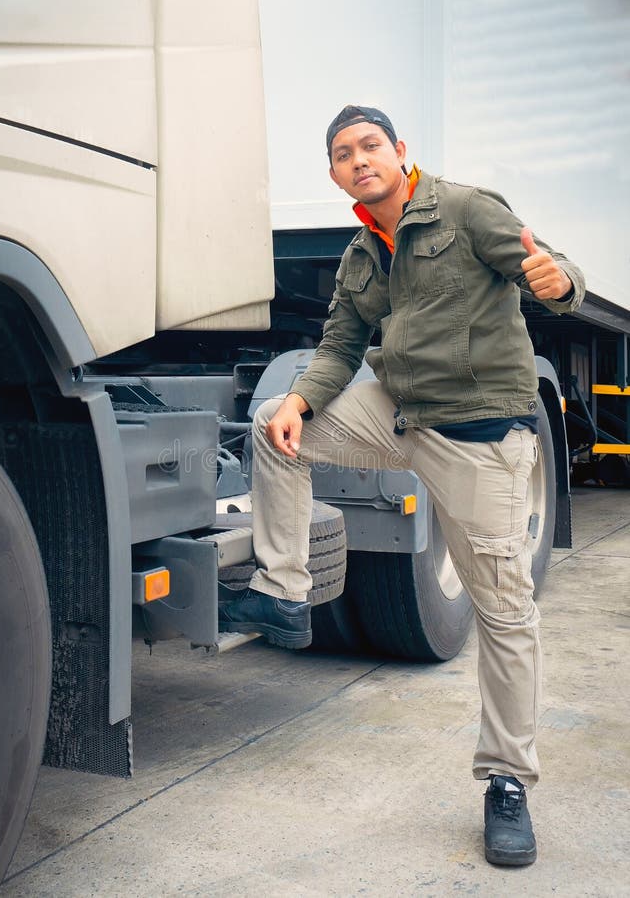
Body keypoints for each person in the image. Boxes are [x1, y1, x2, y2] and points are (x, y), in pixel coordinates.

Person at [218, 104, 585, 866]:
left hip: (480, 433)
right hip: (399, 411)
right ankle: (285, 589)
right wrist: (297, 400)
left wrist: (561, 283)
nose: (359, 159)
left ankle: (507, 782)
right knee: (277, 431)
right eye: (342, 152)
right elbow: (341, 346)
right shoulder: (361, 253)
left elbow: (548, 271)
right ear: (332, 171)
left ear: (399, 151)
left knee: (505, 613)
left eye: (370, 145)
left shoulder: (463, 209)